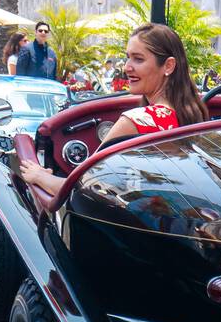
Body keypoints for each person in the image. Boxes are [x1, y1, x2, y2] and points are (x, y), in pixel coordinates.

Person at [20, 22, 207, 194]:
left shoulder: (136, 121)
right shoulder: (195, 113)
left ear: (168, 65)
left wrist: (39, 176)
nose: (127, 67)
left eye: (138, 59)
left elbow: (80, 188)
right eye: (128, 58)